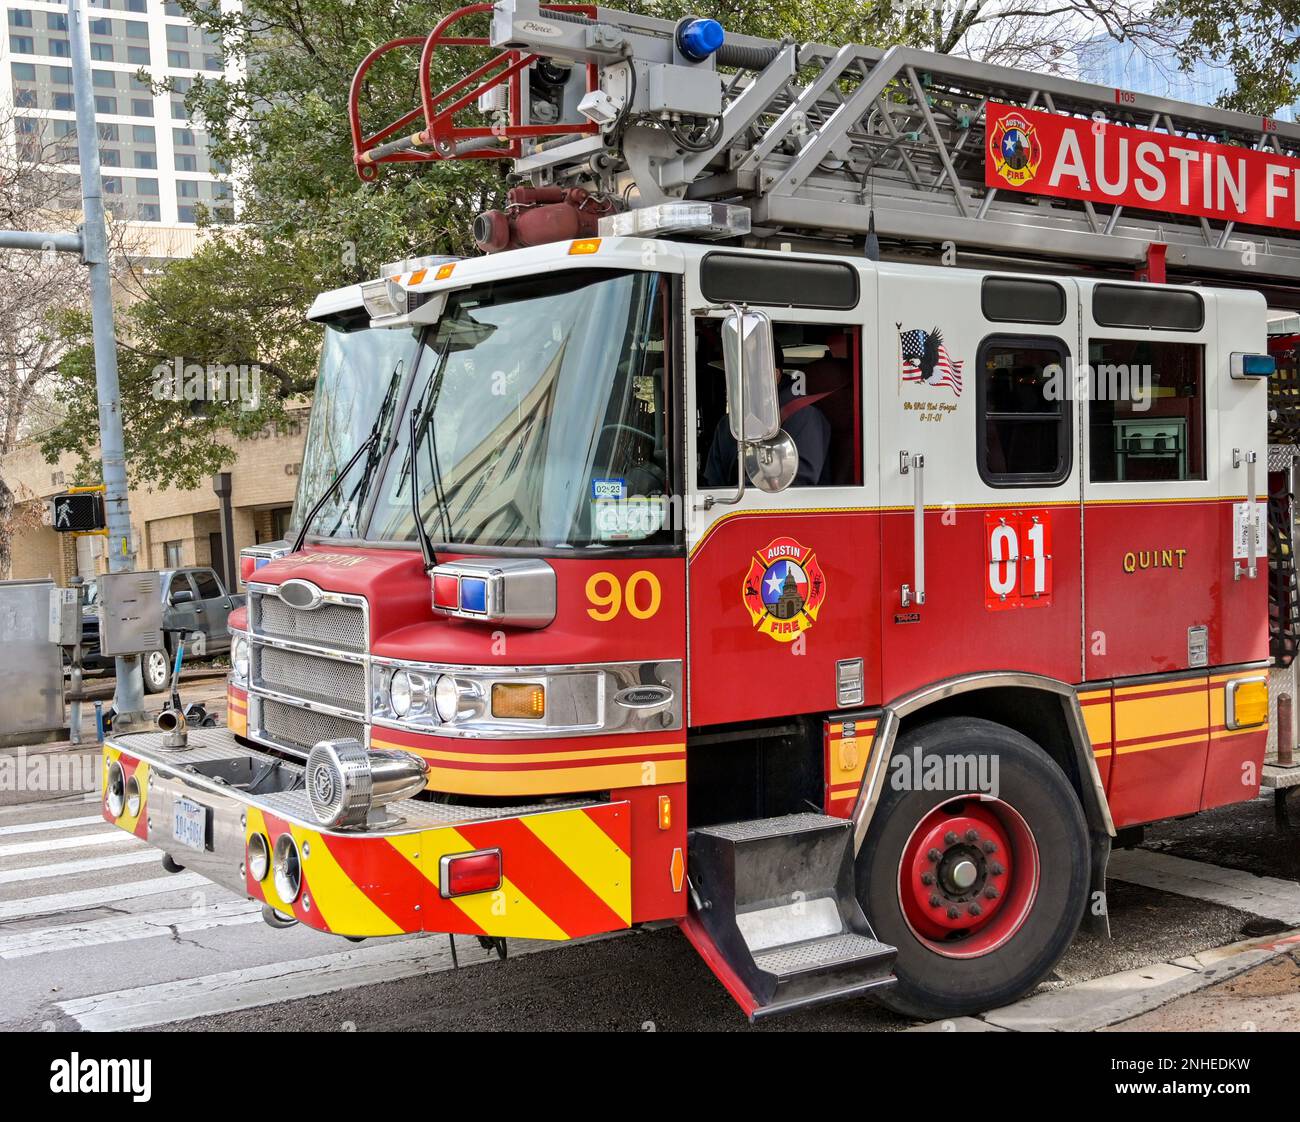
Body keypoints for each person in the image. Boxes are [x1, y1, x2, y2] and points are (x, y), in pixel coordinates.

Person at [702, 365, 832, 487]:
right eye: (736, 372)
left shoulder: (804, 416)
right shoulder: (728, 424)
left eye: (748, 371)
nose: (740, 380)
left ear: (774, 375)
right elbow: (714, 483)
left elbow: (799, 481)